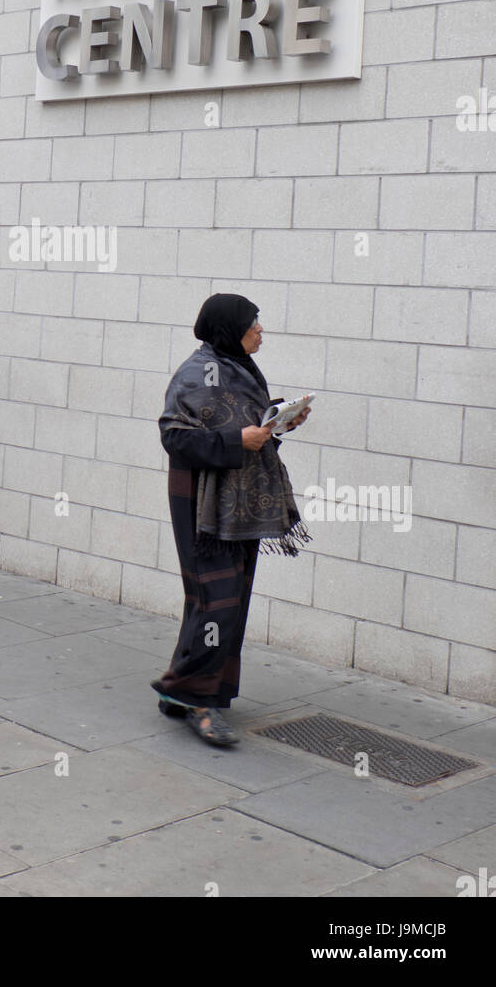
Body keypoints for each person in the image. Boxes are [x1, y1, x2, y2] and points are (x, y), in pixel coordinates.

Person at [154, 292, 311, 747]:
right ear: (229, 330)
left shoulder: (240, 368)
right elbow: (175, 438)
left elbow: (245, 430)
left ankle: (182, 690)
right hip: (204, 505)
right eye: (253, 325)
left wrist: (277, 426)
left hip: (237, 505)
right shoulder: (195, 372)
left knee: (222, 599)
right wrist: (235, 439)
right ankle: (201, 703)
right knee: (217, 601)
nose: (261, 332)